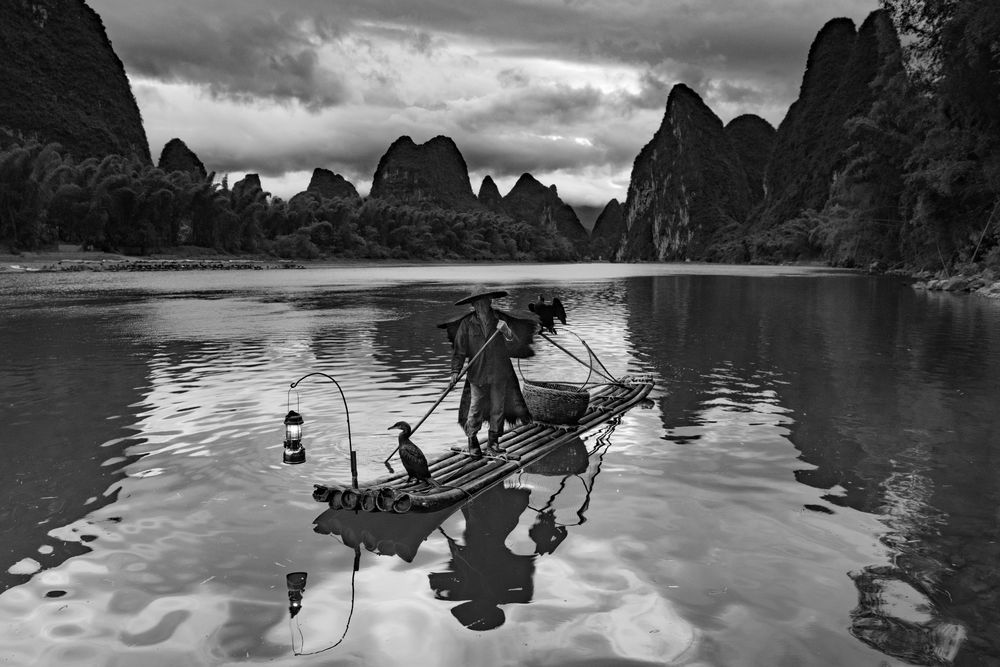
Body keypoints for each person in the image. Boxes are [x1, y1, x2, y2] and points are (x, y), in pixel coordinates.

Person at [438, 289, 537, 457]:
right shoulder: (467, 324)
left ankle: (493, 443)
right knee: (475, 408)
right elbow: (459, 351)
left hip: (499, 372)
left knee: (497, 409)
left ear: (490, 302)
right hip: (477, 374)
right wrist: (455, 372)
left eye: (484, 302)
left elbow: (515, 345)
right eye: (477, 303)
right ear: (473, 305)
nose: (481, 306)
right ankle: (472, 440)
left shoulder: (500, 320)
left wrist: (507, 332)